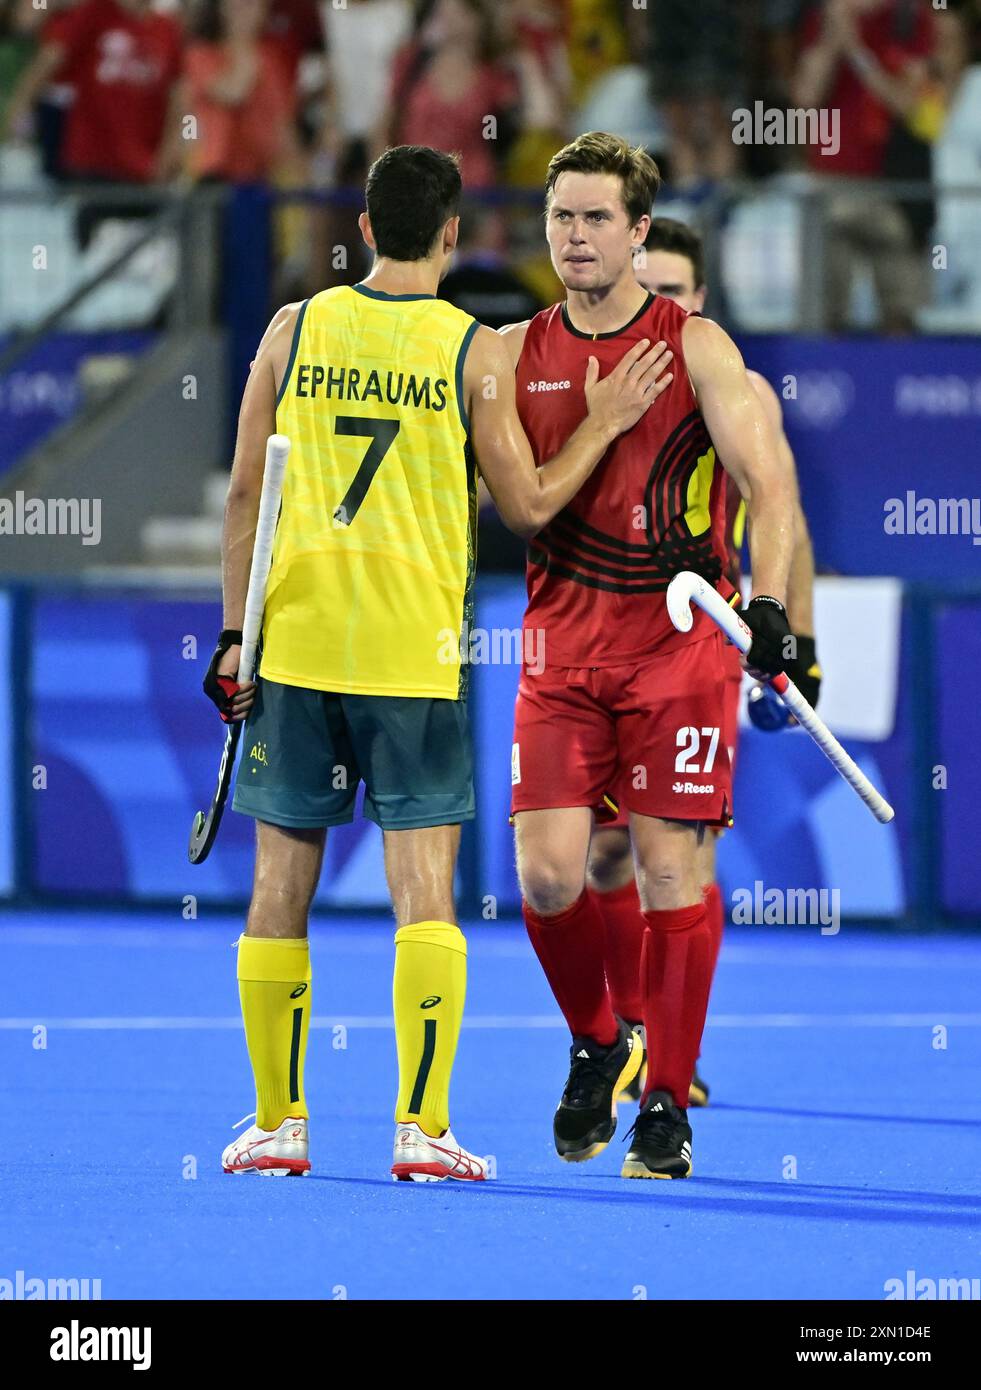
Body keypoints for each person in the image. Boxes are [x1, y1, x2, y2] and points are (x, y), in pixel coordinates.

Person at [203, 143, 672, 1182]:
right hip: (414, 653)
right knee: (425, 893)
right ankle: (422, 1129)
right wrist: (600, 420)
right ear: (453, 237)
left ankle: (279, 1122)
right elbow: (532, 503)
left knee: (280, 885)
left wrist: (236, 634)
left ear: (363, 229)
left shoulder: (293, 328)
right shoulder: (475, 350)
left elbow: (244, 496)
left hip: (297, 643)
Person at [500, 132, 796, 1180]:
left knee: (669, 865)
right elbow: (520, 503)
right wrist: (600, 416)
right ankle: (598, 1039)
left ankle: (666, 1100)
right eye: (560, 218)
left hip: (679, 652)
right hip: (561, 650)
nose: (574, 237)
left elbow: (771, 490)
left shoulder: (701, 347)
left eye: (595, 220)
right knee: (544, 874)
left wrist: (769, 607)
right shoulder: (510, 354)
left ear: (636, 232)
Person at [587, 215, 822, 1111]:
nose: (662, 304)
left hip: (698, 642)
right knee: (600, 861)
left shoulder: (737, 388)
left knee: (678, 859)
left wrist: (796, 643)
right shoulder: (590, 377)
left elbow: (786, 517)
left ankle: (664, 1059)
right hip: (595, 642)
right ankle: (630, 1033)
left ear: (703, 301)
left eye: (678, 289)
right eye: (650, 286)